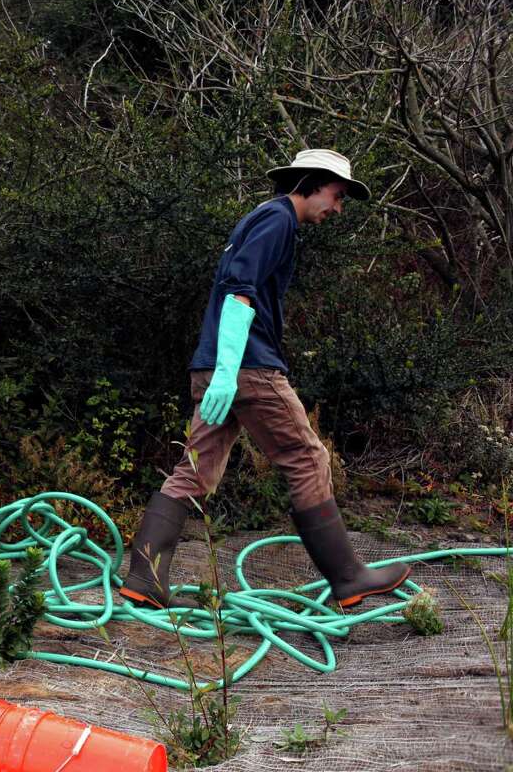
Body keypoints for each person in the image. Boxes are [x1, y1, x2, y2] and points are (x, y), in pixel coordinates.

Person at [118, 149, 410, 610]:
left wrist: (218, 374)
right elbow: (240, 292)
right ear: (312, 184)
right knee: (307, 456)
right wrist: (231, 372)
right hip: (248, 367)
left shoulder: (260, 219)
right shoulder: (277, 221)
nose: (338, 209)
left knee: (196, 470)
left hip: (217, 365)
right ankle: (349, 577)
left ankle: (144, 578)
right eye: (337, 196)